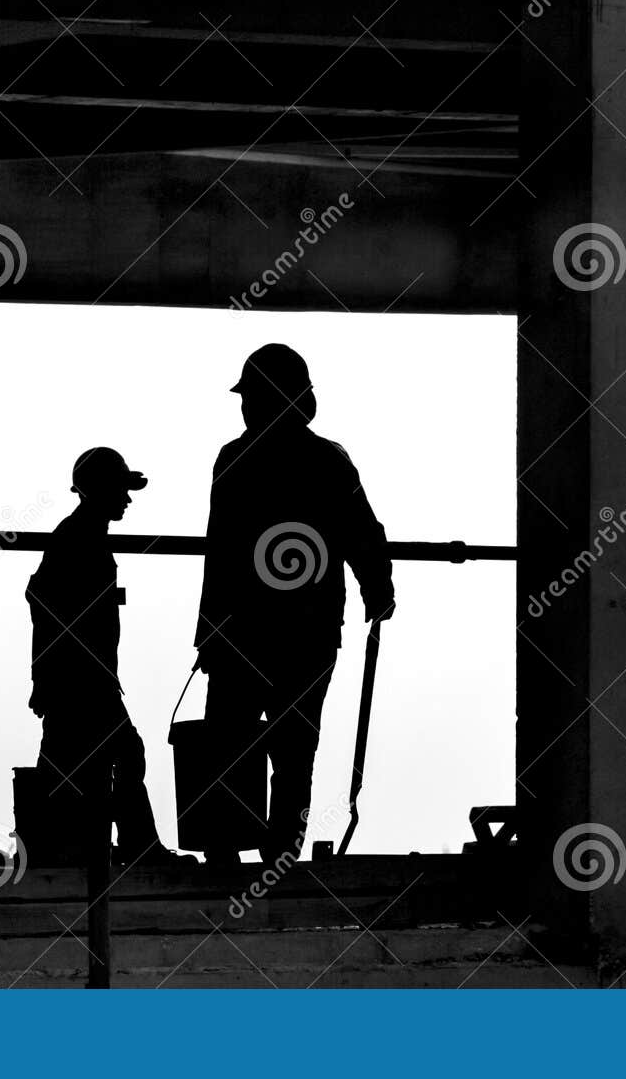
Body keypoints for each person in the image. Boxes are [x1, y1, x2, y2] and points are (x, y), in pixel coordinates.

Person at [193, 344, 395, 865]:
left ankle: (224, 848)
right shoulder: (327, 460)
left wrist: (209, 634)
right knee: (294, 747)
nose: (243, 407)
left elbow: (221, 555)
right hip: (307, 632)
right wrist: (378, 587)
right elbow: (361, 534)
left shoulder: (233, 460)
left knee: (230, 743)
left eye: (250, 397)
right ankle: (282, 851)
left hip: (241, 633)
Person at [27, 447, 162, 866]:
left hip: (78, 675)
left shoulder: (80, 535)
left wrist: (44, 677)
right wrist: (48, 676)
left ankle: (50, 848)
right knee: (122, 751)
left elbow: (39, 599)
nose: (127, 498)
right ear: (100, 490)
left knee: (62, 762)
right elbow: (45, 602)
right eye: (121, 489)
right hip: (82, 676)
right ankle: (139, 849)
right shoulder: (79, 539)